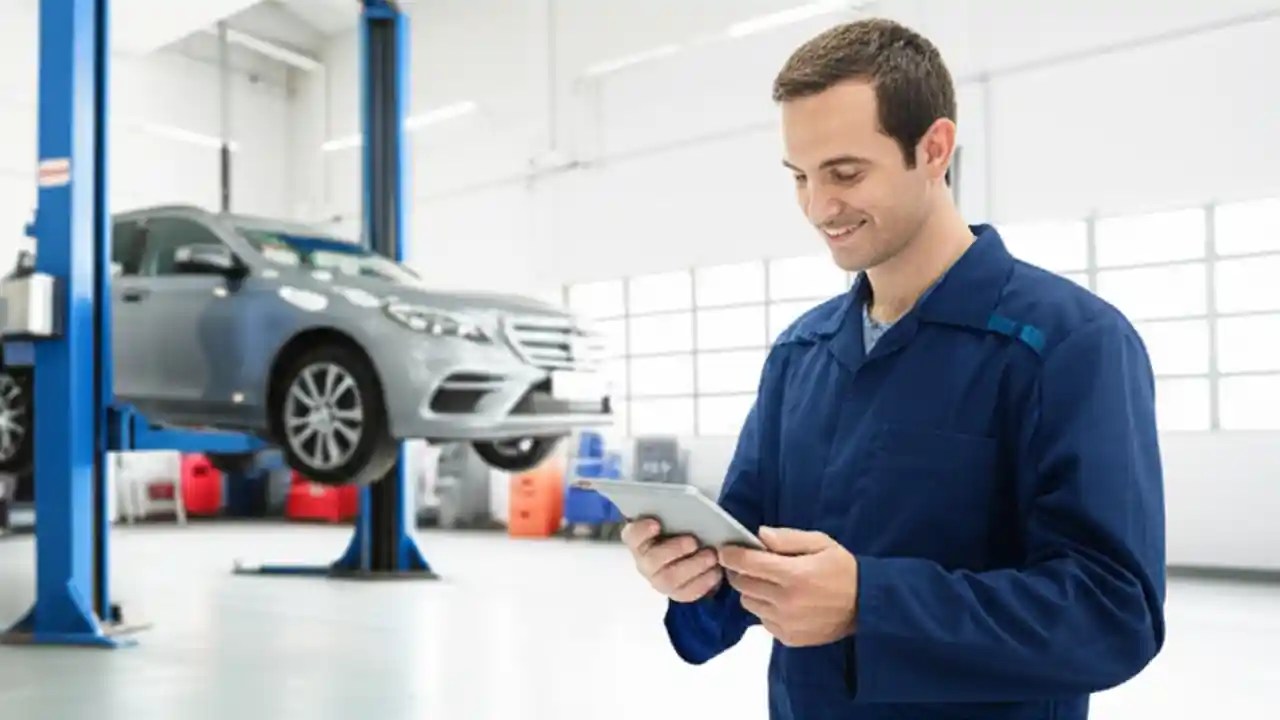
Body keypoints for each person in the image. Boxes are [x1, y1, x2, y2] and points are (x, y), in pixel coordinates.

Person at [620, 17, 1166, 720]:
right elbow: (749, 555)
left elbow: (1112, 614)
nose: (819, 207)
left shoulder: (1069, 344)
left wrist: (867, 603)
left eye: (846, 173)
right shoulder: (801, 353)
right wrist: (694, 577)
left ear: (933, 148)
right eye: (800, 178)